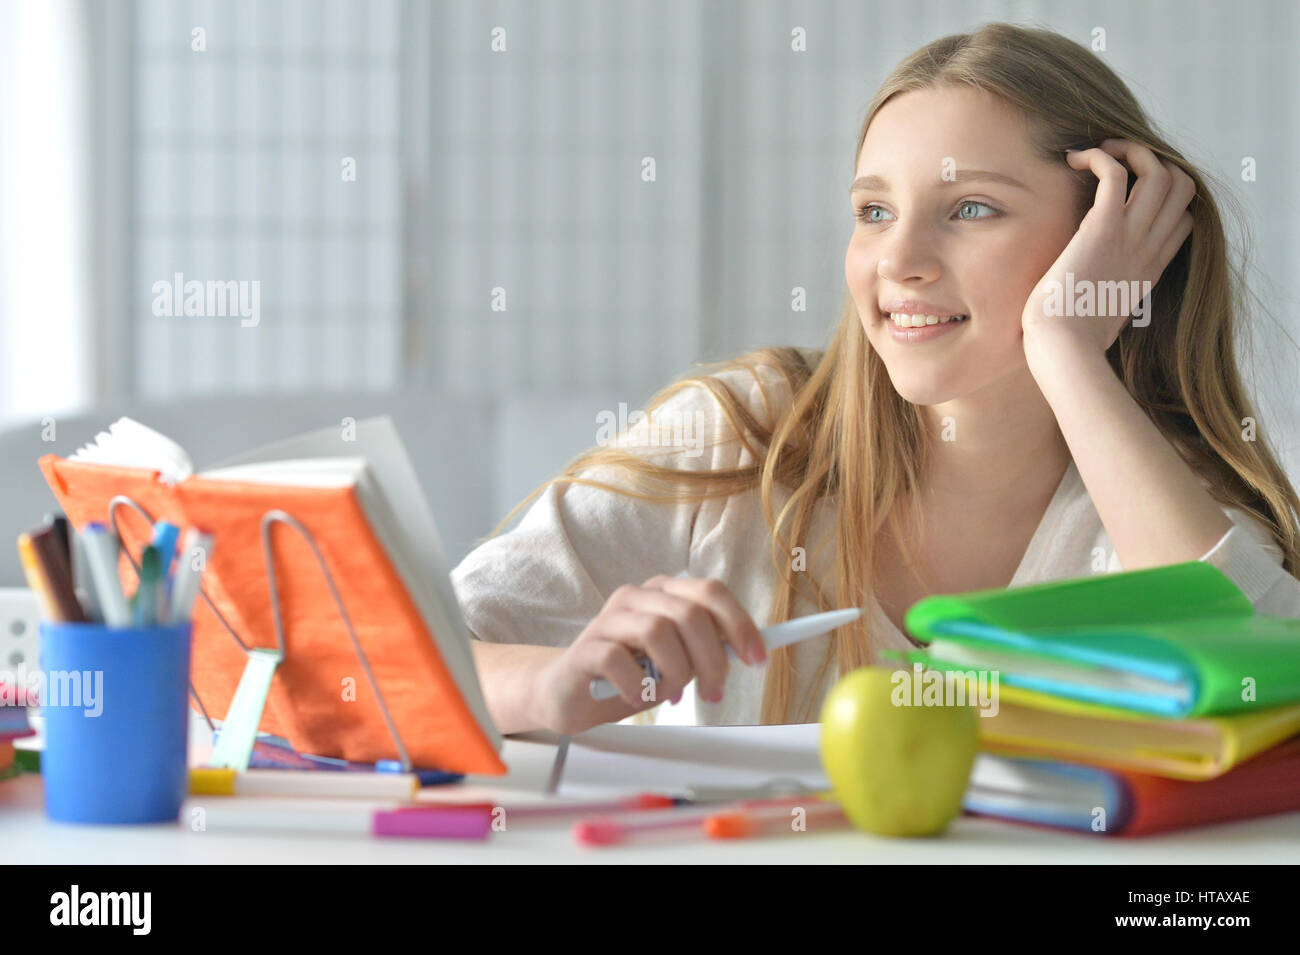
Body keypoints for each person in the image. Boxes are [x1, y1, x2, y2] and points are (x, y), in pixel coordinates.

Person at [451, 23, 1300, 737]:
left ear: (1104, 234)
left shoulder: (1152, 507)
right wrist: (553, 684)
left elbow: (1268, 684)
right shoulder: (746, 436)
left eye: (971, 208)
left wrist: (1067, 347)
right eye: (873, 212)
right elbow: (370, 656)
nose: (898, 260)